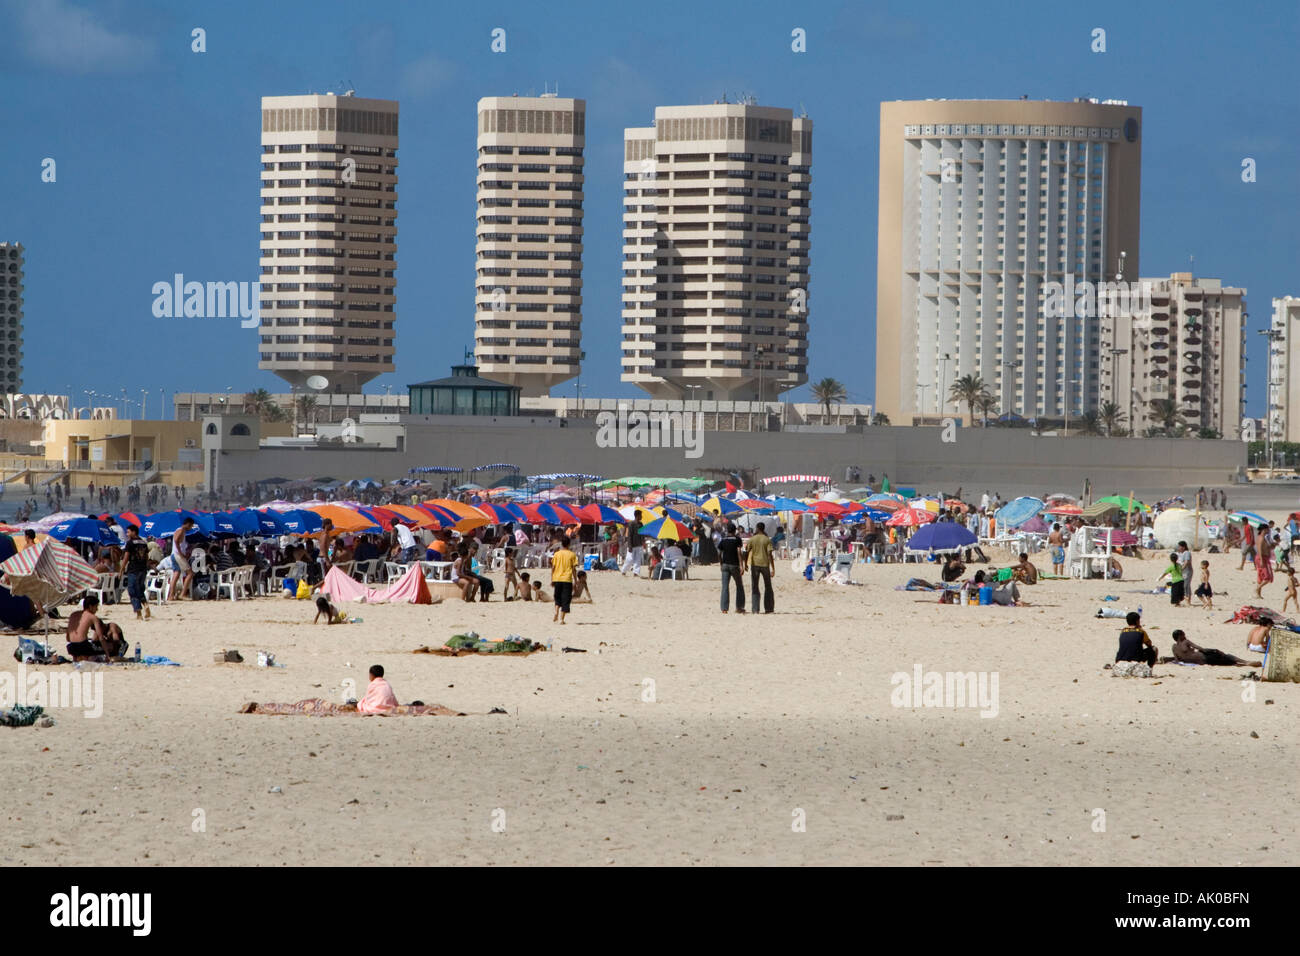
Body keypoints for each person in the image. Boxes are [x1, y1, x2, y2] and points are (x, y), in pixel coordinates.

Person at [1172, 629, 1260, 667]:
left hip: (1200, 662)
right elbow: (1202, 649)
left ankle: (1239, 663)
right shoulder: (1186, 641)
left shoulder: (1174, 647)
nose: (1185, 635)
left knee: (1227, 662)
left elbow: (1177, 660)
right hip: (1204, 658)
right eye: (1183, 634)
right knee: (1224, 655)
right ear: (1180, 636)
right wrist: (1214, 650)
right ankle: (1246, 662)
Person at [119, 524, 151, 621]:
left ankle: (138, 613)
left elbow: (126, 557)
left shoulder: (130, 543)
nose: (127, 534)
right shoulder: (143, 542)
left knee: (132, 591)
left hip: (133, 569)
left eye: (128, 532)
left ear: (134, 532)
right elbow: (146, 557)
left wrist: (121, 569)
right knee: (140, 589)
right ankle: (145, 604)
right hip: (143, 569)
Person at [745, 521, 775, 613]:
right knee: (768, 587)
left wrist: (745, 563)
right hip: (765, 564)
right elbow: (770, 554)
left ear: (757, 528)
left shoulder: (752, 539)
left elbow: (746, 551)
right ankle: (769, 608)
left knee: (755, 586)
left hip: (755, 565)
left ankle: (755, 609)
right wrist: (773, 568)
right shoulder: (767, 539)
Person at [717, 521, 746, 614]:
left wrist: (721, 563)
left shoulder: (723, 539)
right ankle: (739, 607)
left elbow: (719, 553)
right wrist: (742, 565)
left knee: (725, 587)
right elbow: (739, 552)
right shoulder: (737, 539)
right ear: (734, 530)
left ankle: (724, 608)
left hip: (725, 565)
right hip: (734, 565)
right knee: (739, 586)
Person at [550, 535, 577, 624]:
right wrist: (576, 581)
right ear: (569, 544)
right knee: (566, 599)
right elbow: (573, 569)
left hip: (557, 578)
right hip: (567, 579)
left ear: (561, 544)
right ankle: (562, 619)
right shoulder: (572, 555)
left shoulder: (557, 554)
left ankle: (556, 612)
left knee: (557, 597)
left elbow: (553, 568)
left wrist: (552, 579)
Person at [169, 517, 196, 600]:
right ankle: (183, 594)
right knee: (190, 573)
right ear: (188, 524)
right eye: (191, 526)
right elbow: (176, 540)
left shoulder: (181, 531)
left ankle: (171, 595)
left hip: (174, 554)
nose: (191, 528)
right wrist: (181, 553)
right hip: (178, 555)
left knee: (176, 575)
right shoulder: (181, 530)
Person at [1254, 523, 1274, 600]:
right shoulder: (1261, 538)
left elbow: (1266, 547)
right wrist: (1262, 560)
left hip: (1263, 558)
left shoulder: (1264, 538)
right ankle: (1257, 589)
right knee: (1267, 577)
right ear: (1264, 530)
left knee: (1261, 576)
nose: (1268, 530)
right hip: (1261, 558)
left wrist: (1272, 545)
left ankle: (1258, 594)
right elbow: (1259, 549)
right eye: (1267, 529)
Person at [1175, 542, 1193, 607]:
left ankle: (1188, 601)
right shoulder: (1180, 554)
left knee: (1186, 586)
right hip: (1182, 572)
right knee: (1182, 586)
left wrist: (1181, 569)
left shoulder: (1187, 553)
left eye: (1179, 546)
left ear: (1183, 547)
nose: (1178, 548)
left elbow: (1186, 562)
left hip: (1187, 571)